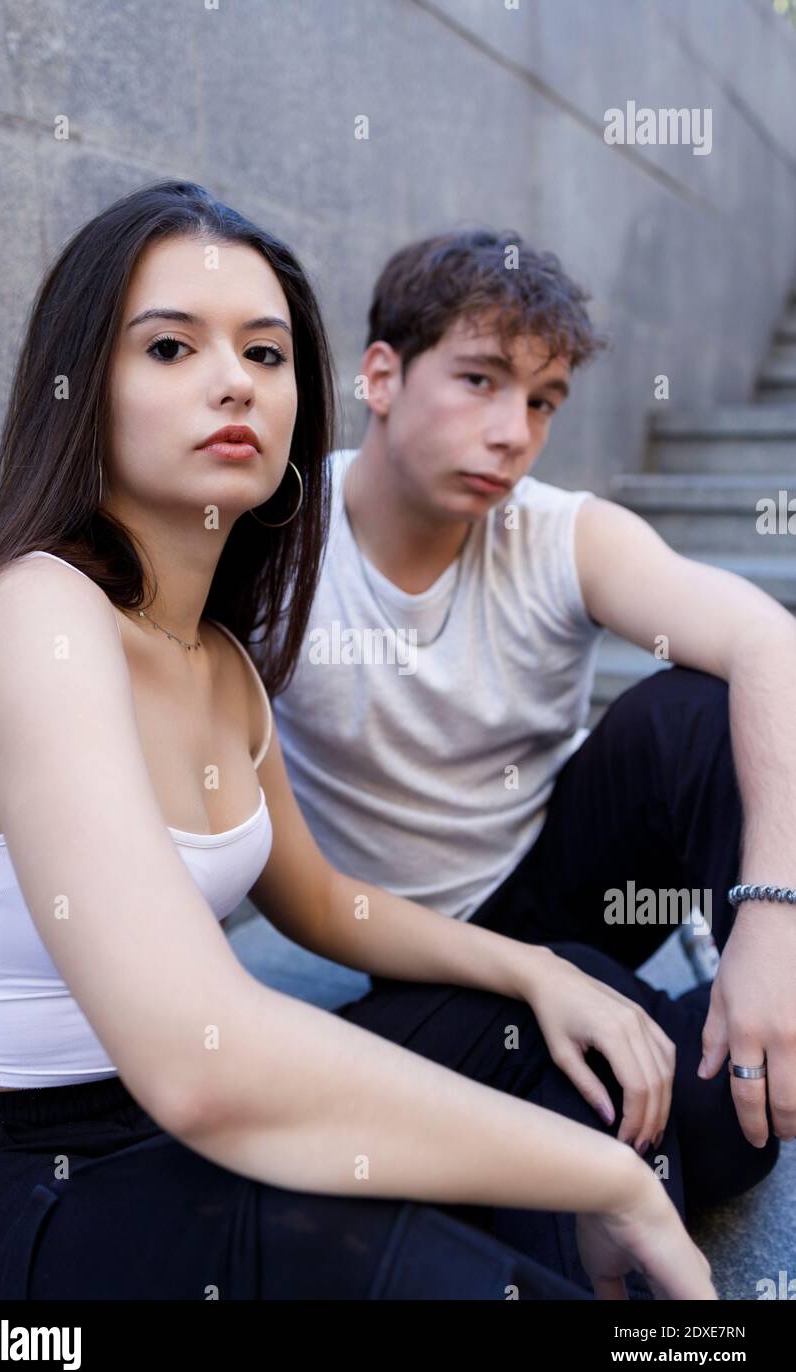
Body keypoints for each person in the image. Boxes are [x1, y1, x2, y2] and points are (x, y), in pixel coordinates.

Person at [0, 179, 723, 1302]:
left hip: (159, 1129)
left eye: (263, 355)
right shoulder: (37, 614)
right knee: (329, 1225)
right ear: (80, 387)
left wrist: (536, 969)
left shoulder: (222, 661)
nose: (231, 384)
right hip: (8, 1178)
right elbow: (206, 1065)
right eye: (168, 348)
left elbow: (321, 903)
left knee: (538, 1027)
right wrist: (607, 1180)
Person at [262, 229, 796, 1181]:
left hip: (562, 868)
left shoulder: (561, 533)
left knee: (693, 712)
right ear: (382, 377)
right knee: (716, 1127)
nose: (515, 431)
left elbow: (769, 641)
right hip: (420, 942)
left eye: (543, 400)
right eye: (480, 381)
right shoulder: (280, 542)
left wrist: (773, 923)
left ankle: (735, 1010)